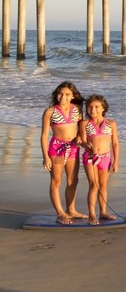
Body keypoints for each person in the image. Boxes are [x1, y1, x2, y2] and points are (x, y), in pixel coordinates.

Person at [40, 82, 87, 225]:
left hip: (73, 148)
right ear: (56, 94)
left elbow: (81, 129)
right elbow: (44, 135)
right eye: (60, 94)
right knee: (57, 180)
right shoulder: (50, 111)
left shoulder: (77, 109)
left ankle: (71, 209)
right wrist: (45, 157)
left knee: (73, 180)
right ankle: (60, 213)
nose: (63, 97)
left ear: (73, 96)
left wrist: (80, 137)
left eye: (67, 94)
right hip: (57, 149)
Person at [79, 94, 120, 225]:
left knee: (103, 185)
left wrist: (115, 162)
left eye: (97, 107)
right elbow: (83, 141)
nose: (93, 110)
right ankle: (92, 214)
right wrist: (86, 145)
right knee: (93, 185)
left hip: (105, 158)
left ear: (103, 108)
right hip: (90, 157)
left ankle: (103, 212)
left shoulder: (111, 123)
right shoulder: (85, 124)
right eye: (90, 107)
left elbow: (115, 144)